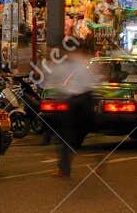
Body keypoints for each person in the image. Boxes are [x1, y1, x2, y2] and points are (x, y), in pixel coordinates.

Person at [43, 35, 100, 176]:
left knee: (66, 136)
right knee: (73, 135)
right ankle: (66, 166)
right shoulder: (82, 62)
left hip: (77, 101)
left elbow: (52, 81)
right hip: (83, 100)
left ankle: (65, 167)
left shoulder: (71, 63)